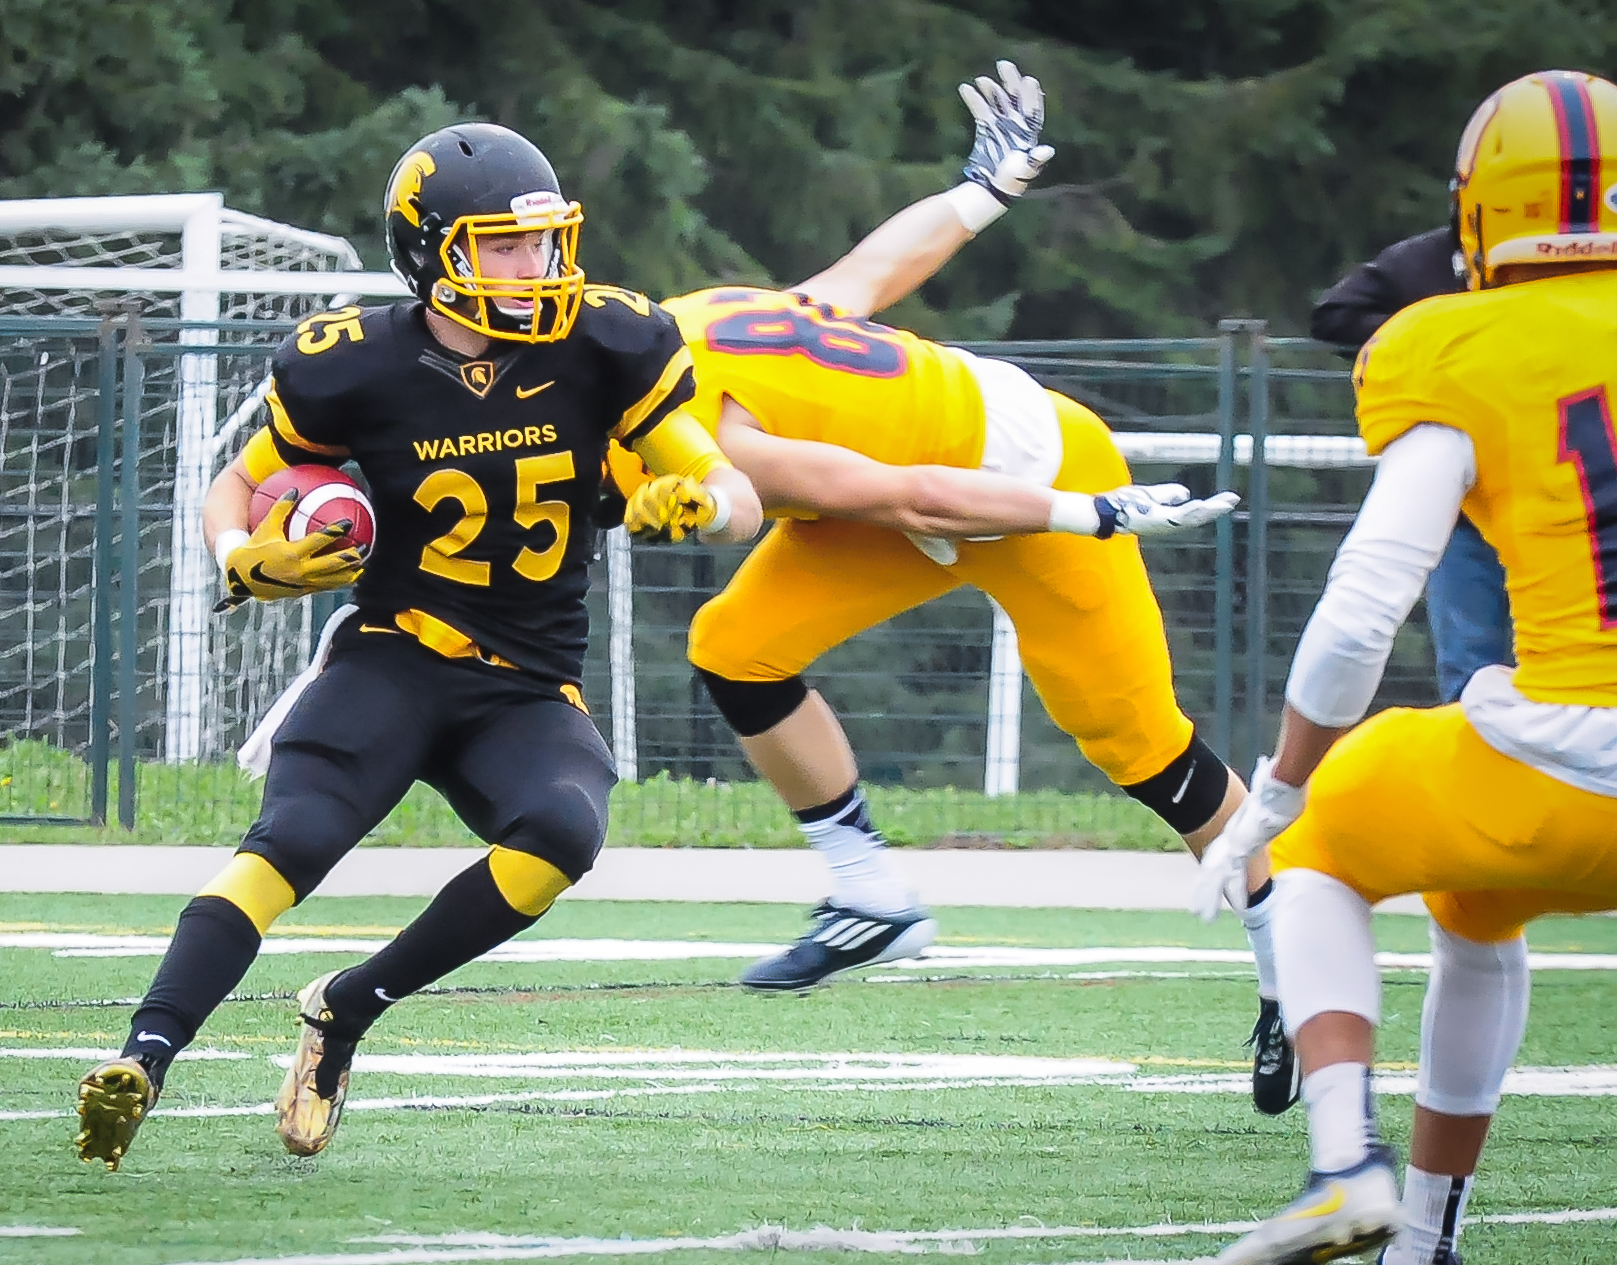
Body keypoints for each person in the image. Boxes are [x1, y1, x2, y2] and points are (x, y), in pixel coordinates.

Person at [72, 122, 768, 1169]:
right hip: (395, 652)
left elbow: (741, 495)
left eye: (544, 243)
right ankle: (142, 1056)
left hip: (528, 680)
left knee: (561, 836)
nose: (535, 268)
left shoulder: (607, 342)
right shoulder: (351, 363)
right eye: (504, 245)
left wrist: (698, 502)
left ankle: (345, 1009)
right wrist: (239, 556)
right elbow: (237, 485)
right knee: (288, 842)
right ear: (432, 251)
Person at [610, 63, 1299, 1115]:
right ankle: (870, 893)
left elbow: (907, 497)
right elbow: (860, 278)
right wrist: (981, 190)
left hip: (1029, 472)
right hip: (907, 488)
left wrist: (1088, 510)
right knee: (734, 644)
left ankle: (1293, 974)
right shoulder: (682, 327)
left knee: (1141, 744)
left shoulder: (693, 412)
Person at [1193, 69, 1617, 1265]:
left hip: (1563, 768)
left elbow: (1361, 608)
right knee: (1474, 912)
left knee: (1325, 841)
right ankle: (1423, 1240)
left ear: (1480, 206)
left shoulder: (1454, 343)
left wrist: (1273, 794)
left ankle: (1348, 1170)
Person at [1313, 227, 1515, 703]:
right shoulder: (1432, 258)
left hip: (1571, 507)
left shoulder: (1578, 263)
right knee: (1471, 671)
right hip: (1465, 504)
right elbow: (1333, 316)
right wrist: (1436, 340)